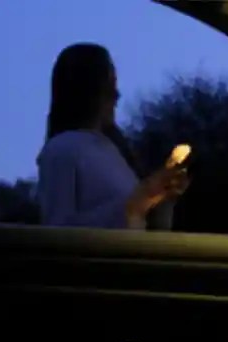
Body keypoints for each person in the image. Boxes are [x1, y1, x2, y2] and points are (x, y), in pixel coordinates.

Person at [37, 43, 189, 230]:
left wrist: (163, 199)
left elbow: (143, 228)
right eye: (109, 86)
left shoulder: (114, 153)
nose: (117, 96)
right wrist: (139, 201)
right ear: (86, 91)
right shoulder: (61, 150)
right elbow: (57, 232)